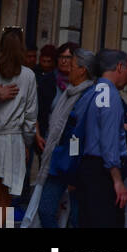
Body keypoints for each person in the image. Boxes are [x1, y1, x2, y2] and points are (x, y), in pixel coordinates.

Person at [31, 47, 96, 230]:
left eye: (73, 64)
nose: (68, 67)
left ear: (83, 70)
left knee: (74, 216)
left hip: (72, 164)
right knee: (47, 210)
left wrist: (76, 170)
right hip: (57, 159)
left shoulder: (87, 95)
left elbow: (82, 133)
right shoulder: (69, 91)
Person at [0, 28, 38, 224]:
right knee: (5, 198)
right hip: (13, 140)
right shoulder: (28, 76)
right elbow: (31, 115)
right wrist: (27, 142)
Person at [75, 49, 127, 229]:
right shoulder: (111, 95)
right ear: (120, 67)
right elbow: (109, 141)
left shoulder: (91, 91)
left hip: (86, 166)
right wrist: (117, 179)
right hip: (103, 171)